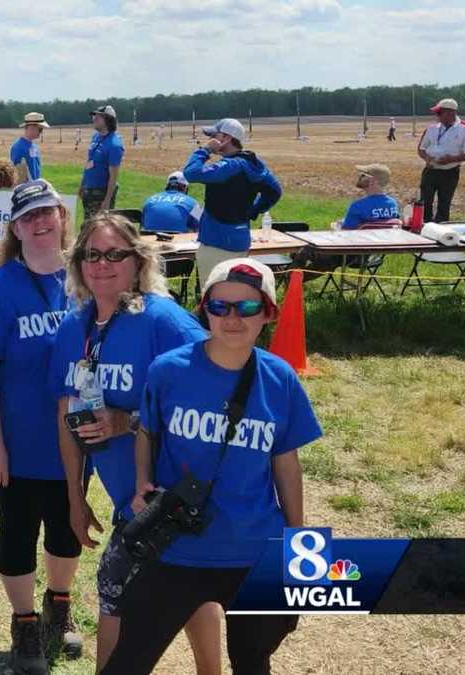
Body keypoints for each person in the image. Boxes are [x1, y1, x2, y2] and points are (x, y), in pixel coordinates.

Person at [100, 258, 321, 675]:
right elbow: (147, 429)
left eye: (247, 308)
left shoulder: (281, 378)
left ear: (269, 313)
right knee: (128, 662)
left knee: (252, 662)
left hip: (251, 548)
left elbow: (285, 460)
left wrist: (299, 538)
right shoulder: (169, 370)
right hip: (178, 545)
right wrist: (143, 480)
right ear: (205, 310)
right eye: (219, 307)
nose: (232, 318)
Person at [49, 213, 218, 673]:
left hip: (171, 494)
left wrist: (128, 421)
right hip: (127, 496)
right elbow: (68, 416)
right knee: (187, 589)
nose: (102, 264)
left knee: (118, 595)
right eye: (91, 254)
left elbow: (211, 393)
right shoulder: (76, 326)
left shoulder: (162, 321)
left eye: (114, 254)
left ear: (138, 260)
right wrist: (74, 497)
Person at [0, 180, 80, 675]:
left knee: (67, 525)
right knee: (17, 530)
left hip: (75, 440)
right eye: (28, 217)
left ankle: (60, 602)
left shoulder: (84, 277)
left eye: (47, 213)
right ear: (15, 228)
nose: (40, 223)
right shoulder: (0, 288)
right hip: (18, 438)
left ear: (61, 216)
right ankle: (24, 620)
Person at [182, 118, 281, 284]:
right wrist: (253, 210)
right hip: (241, 240)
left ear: (226, 138)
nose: (210, 139)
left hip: (216, 243)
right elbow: (274, 191)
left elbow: (191, 173)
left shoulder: (229, 166)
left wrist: (205, 150)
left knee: (212, 294)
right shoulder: (255, 164)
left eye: (214, 135)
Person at [418, 98, 465, 223]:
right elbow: (421, 149)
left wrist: (451, 160)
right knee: (425, 201)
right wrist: (427, 158)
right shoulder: (431, 128)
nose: (437, 115)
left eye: (439, 113)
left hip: (450, 172)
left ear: (451, 113)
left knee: (444, 203)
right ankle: (424, 226)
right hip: (430, 171)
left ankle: (442, 230)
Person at [80, 105, 124, 222]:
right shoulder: (96, 137)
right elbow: (89, 162)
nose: (94, 119)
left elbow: (113, 177)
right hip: (89, 190)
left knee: (99, 227)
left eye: (98, 117)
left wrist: (107, 200)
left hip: (101, 193)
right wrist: (82, 184)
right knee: (88, 226)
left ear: (108, 120)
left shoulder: (114, 145)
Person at [338, 164, 400, 229]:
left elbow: (346, 232)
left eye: (363, 175)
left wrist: (338, 226)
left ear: (372, 181)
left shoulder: (357, 206)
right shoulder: (393, 204)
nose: (360, 177)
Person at [11, 112, 49, 182]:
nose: (41, 132)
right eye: (40, 129)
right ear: (31, 127)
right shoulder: (18, 148)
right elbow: (18, 175)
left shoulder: (35, 146)